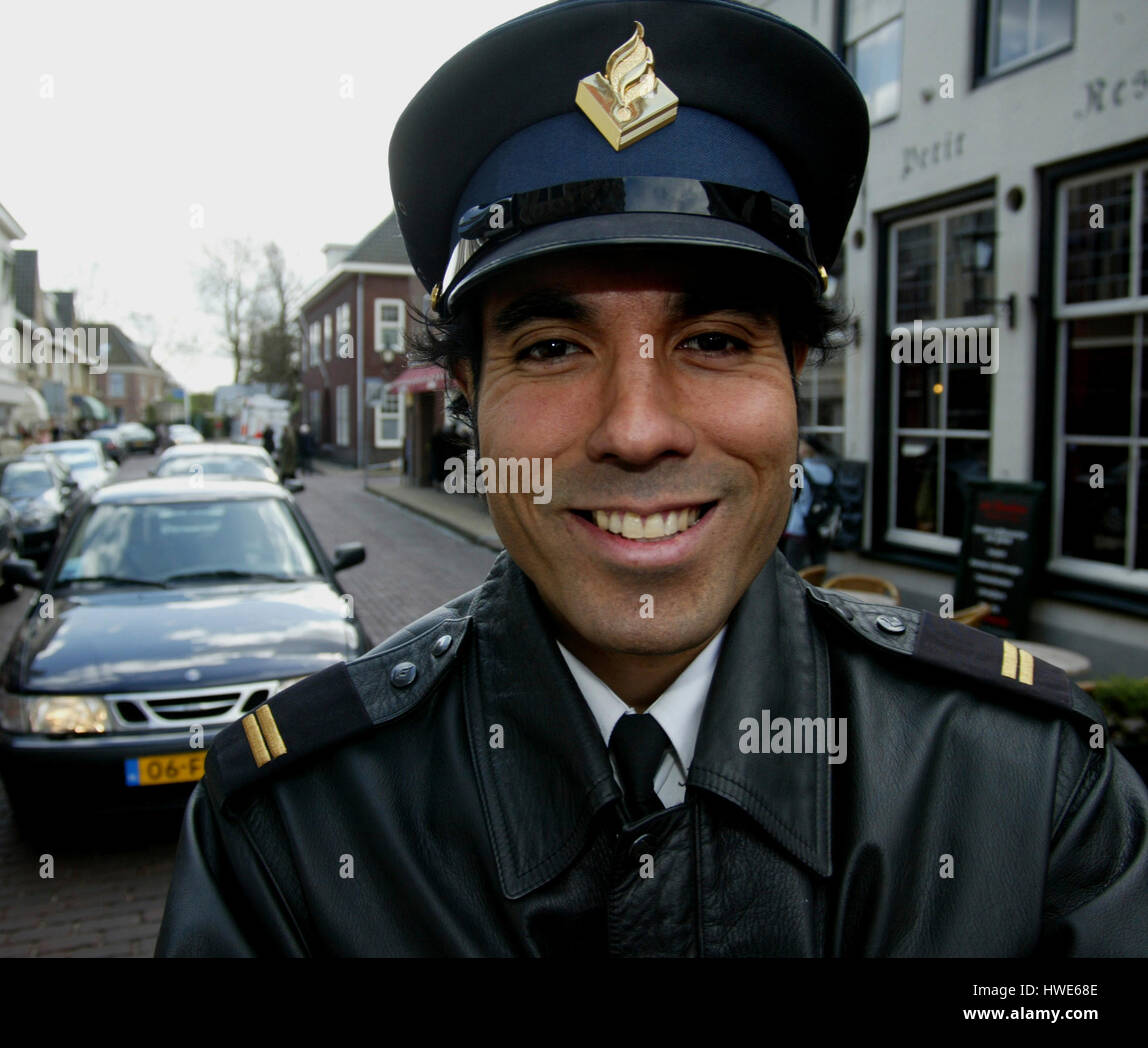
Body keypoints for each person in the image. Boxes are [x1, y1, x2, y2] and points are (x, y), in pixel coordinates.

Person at [156, 0, 1148, 956]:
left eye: (713, 340)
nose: (636, 432)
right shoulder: (288, 832)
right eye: (551, 348)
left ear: (794, 380)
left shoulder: (1034, 788)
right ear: (469, 396)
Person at [780, 437, 835, 570]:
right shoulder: (828, 470)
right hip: (820, 527)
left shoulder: (799, 471)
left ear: (807, 449)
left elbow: (792, 496)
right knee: (818, 568)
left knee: (793, 569)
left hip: (798, 527)